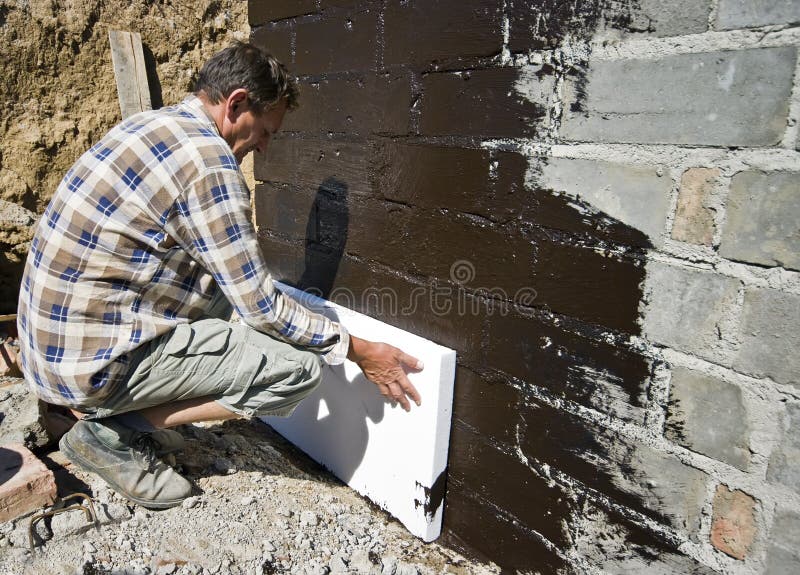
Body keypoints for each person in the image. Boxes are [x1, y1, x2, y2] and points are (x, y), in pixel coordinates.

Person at [16, 42, 422, 509]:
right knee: (298, 371)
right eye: (266, 131)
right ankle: (112, 431)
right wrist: (357, 349)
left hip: (50, 353)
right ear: (236, 103)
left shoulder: (153, 125)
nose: (264, 146)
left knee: (221, 290)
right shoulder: (209, 164)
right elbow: (262, 307)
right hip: (88, 372)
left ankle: (117, 409)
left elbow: (236, 288)